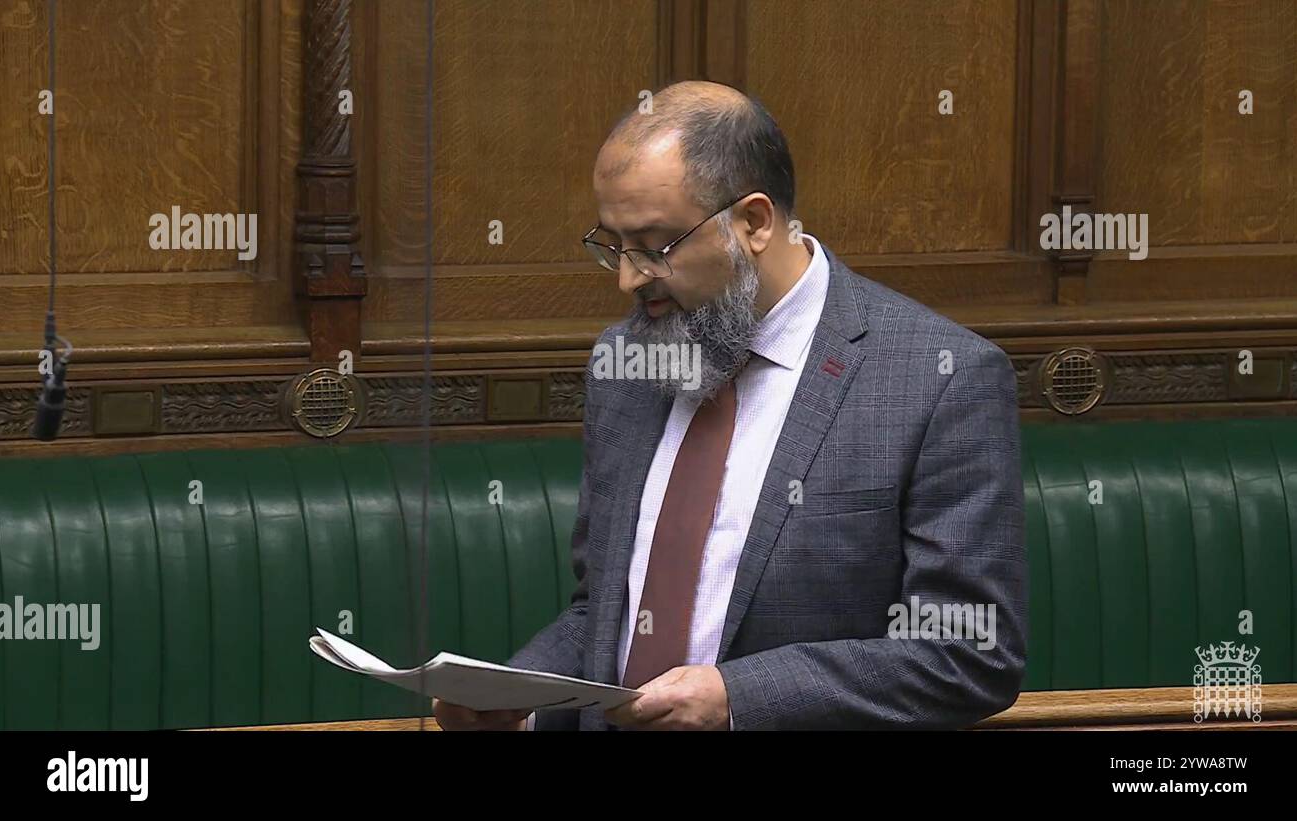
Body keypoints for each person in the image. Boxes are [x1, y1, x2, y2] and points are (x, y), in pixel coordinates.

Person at [434, 80, 1027, 731]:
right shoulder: (628, 360)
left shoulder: (939, 379)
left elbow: (967, 655)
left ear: (753, 222)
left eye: (655, 246)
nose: (630, 278)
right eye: (613, 244)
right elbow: (603, 613)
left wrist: (738, 698)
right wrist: (515, 698)